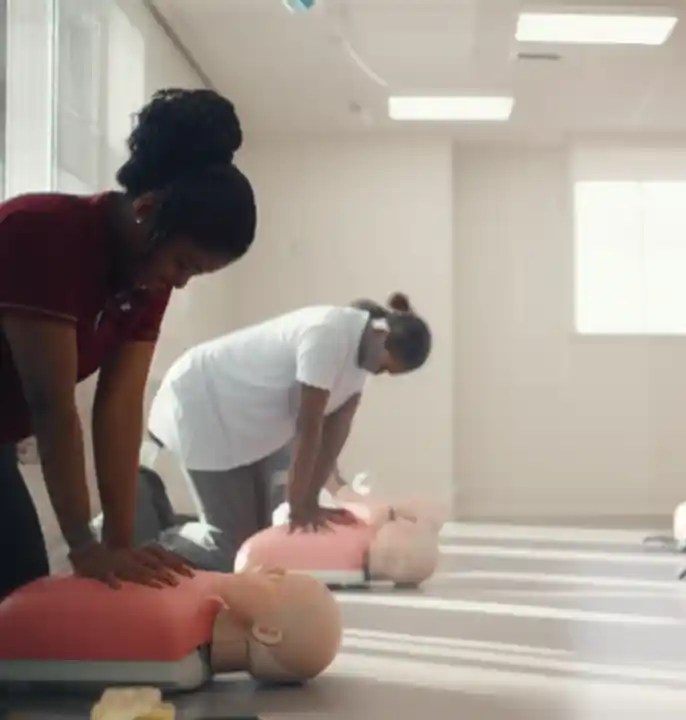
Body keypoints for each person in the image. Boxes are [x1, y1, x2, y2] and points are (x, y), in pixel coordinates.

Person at [0, 88, 257, 599]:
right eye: (184, 263)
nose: (181, 282)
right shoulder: (43, 233)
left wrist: (119, 542)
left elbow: (119, 406)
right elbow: (51, 406)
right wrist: (83, 545)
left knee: (21, 589)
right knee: (20, 589)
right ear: (146, 209)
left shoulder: (145, 276)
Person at [146, 294, 431, 571]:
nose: (379, 373)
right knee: (229, 552)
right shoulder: (328, 333)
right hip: (202, 398)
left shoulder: (362, 363)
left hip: (242, 420)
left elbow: (334, 435)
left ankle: (164, 520)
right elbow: (309, 425)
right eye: (384, 366)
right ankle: (152, 539)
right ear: (381, 336)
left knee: (254, 543)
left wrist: (312, 499)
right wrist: (299, 504)